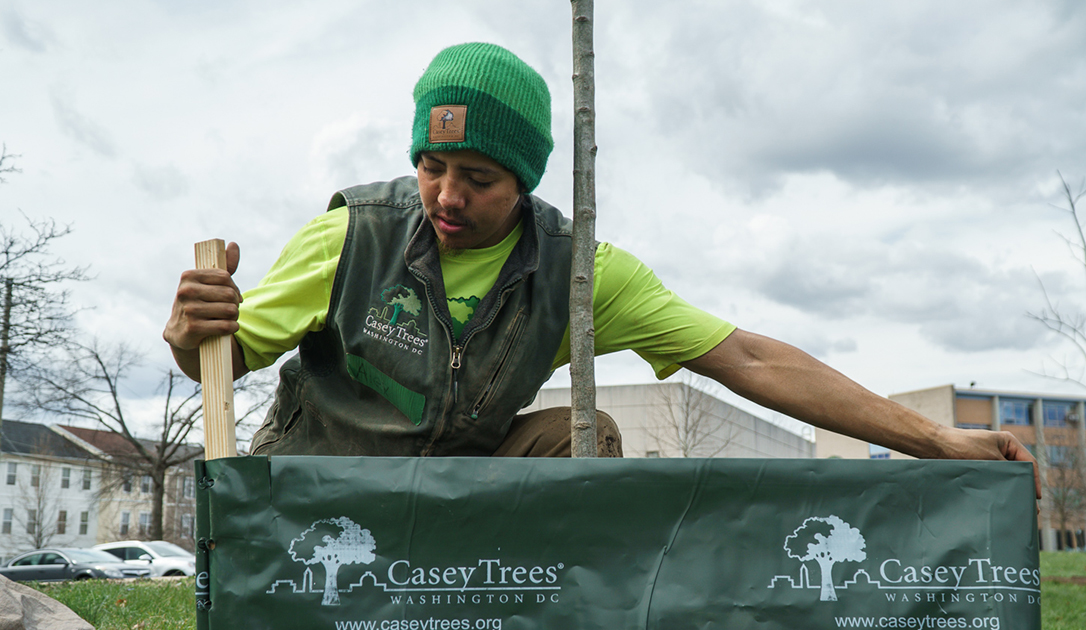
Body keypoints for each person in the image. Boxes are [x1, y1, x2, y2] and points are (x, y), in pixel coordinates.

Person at [163, 43, 1038, 490]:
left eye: (478, 178)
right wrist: (188, 333)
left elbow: (750, 360)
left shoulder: (580, 275)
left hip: (454, 495)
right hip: (314, 483)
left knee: (584, 437)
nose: (445, 196)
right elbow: (221, 357)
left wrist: (932, 440)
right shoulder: (351, 235)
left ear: (526, 181)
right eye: (431, 167)